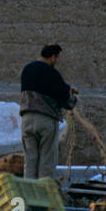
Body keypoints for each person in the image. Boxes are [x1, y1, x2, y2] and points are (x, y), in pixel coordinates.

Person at [20, 44, 77, 180]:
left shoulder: (27, 69)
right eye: (57, 58)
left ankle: (28, 195)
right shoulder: (52, 73)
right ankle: (43, 194)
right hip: (45, 121)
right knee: (47, 161)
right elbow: (66, 99)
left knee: (30, 161)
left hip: (26, 120)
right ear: (53, 57)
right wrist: (73, 98)